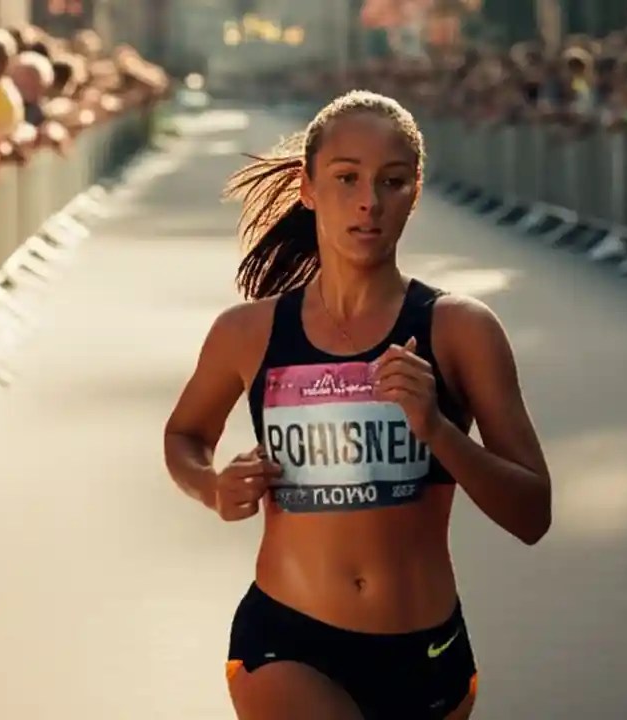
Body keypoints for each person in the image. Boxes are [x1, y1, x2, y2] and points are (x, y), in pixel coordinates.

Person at [163, 90, 552, 719]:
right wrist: (212, 488)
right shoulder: (248, 332)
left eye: (392, 182)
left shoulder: (461, 330)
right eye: (346, 178)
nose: (370, 201)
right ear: (307, 188)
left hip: (428, 653)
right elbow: (184, 435)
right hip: (287, 641)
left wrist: (439, 432)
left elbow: (533, 513)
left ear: (415, 191)